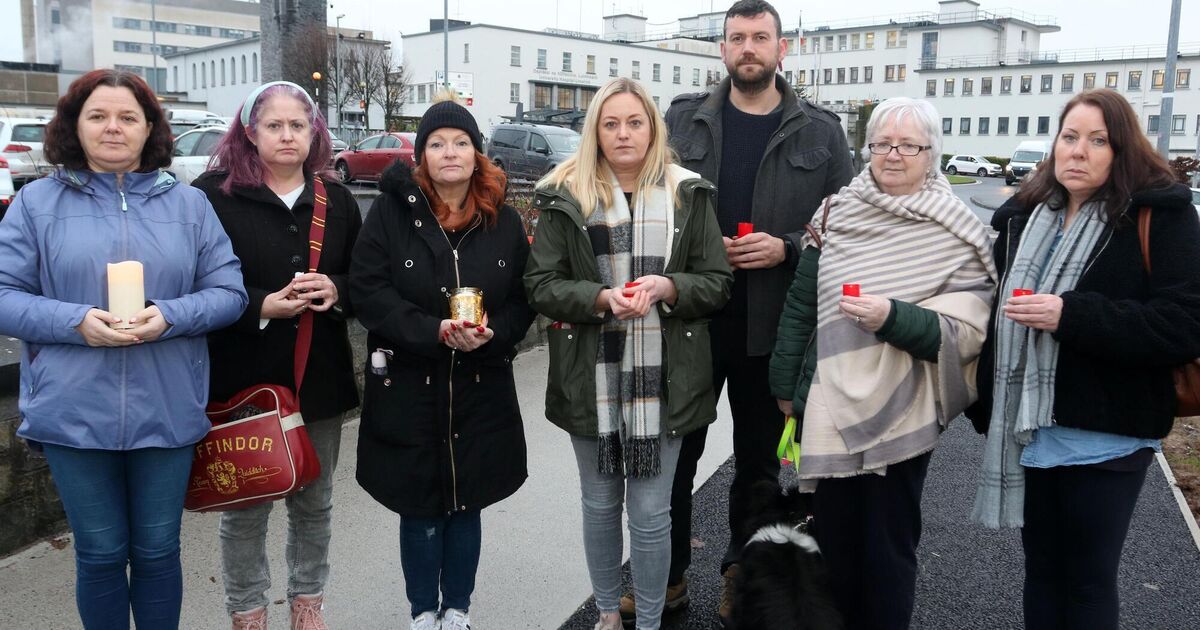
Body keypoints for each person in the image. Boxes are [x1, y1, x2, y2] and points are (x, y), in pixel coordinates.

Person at [0, 69, 247, 630]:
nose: (113, 127)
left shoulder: (189, 206)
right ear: (74, 126)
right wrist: (75, 321)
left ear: (148, 129)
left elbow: (229, 294)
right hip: (72, 412)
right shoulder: (36, 204)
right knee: (102, 553)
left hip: (166, 407)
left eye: (127, 117)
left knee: (159, 552)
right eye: (98, 115)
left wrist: (171, 316)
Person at [969, 89, 1200, 630]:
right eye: (1069, 137)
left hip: (1107, 434)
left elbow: (1185, 325)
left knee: (1089, 579)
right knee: (1042, 575)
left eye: (1098, 140)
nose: (1079, 151)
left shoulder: (1159, 217)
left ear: (1122, 150)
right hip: (1028, 430)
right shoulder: (1025, 217)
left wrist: (1072, 317)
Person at [657, 0, 854, 623]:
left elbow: (845, 225)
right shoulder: (683, 120)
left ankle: (742, 574)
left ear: (781, 48)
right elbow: (651, 204)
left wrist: (788, 246)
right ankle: (667, 577)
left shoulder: (820, 131)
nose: (748, 47)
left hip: (772, 326)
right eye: (737, 37)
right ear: (722, 48)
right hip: (691, 321)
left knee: (758, 465)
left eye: (760, 37)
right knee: (675, 455)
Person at [769, 96, 996, 630]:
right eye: (882, 144)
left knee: (889, 544)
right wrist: (784, 386)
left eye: (909, 146)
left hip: (904, 404)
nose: (893, 155)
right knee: (833, 540)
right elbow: (803, 302)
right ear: (867, 148)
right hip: (827, 402)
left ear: (931, 153)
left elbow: (967, 330)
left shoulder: (955, 228)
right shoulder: (835, 212)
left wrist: (892, 317)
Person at [524, 77, 733, 630]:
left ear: (653, 128)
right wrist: (597, 298)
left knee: (649, 513)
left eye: (634, 122)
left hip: (667, 379)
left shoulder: (690, 193)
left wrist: (670, 289)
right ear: (596, 129)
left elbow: (717, 281)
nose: (622, 133)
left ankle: (647, 619)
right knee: (598, 505)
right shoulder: (565, 193)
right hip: (588, 377)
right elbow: (541, 283)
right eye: (610, 123)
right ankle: (605, 613)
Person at [350, 97, 535, 630]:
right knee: (420, 506)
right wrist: (431, 331)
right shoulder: (391, 213)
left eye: (460, 142)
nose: (450, 152)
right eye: (437, 143)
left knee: (466, 502)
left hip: (481, 385)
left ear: (477, 153)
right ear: (421, 155)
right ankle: (421, 612)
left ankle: (457, 608)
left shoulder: (502, 219)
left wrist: (496, 335)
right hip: (410, 385)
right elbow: (369, 291)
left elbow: (525, 298)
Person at [193, 81, 362, 630]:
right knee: (245, 503)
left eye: (298, 125)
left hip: (319, 376)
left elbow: (367, 279)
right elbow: (194, 284)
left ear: (313, 132)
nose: (287, 135)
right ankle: (247, 611)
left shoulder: (335, 198)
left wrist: (337, 289)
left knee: (314, 502)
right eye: (274, 125)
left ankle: (307, 603)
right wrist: (261, 305)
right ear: (249, 131)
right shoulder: (213, 195)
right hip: (242, 378)